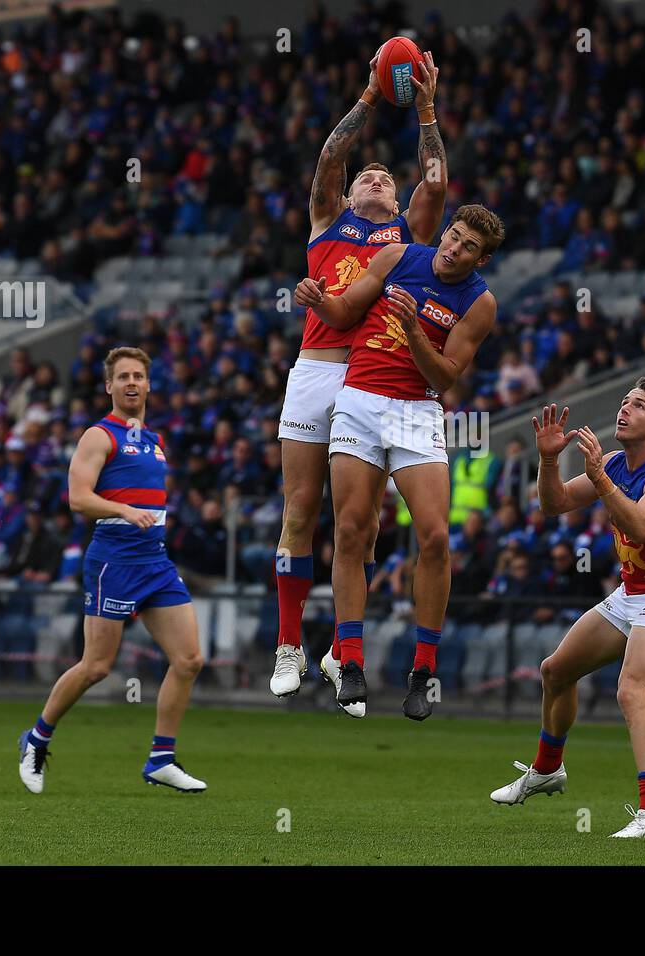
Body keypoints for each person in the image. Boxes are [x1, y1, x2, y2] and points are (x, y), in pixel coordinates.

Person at [271, 49, 447, 710]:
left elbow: (434, 181)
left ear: (397, 201)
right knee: (300, 510)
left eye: (385, 175)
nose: (375, 174)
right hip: (320, 373)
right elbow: (328, 157)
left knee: (362, 529)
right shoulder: (327, 221)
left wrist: (426, 107)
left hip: (376, 379)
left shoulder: (407, 235)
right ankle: (290, 642)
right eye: (365, 174)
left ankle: (342, 650)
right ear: (347, 196)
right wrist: (373, 94)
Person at [293, 204, 503, 719]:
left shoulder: (479, 302)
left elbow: (447, 375)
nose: (453, 249)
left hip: (416, 411)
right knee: (350, 531)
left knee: (433, 537)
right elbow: (344, 314)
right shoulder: (397, 256)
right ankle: (351, 664)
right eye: (453, 236)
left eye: (468, 247)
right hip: (360, 400)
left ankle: (422, 670)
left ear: (483, 258)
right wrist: (320, 301)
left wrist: (412, 330)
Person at [488, 380, 645, 841]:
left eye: (638, 405)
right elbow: (554, 504)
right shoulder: (613, 463)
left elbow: (644, 527)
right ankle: (548, 770)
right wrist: (548, 459)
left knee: (632, 691)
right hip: (633, 594)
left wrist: (603, 480)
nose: (625, 408)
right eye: (625, 400)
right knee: (556, 671)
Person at [18, 347, 207, 795]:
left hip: (154, 561)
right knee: (97, 666)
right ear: (109, 386)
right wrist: (125, 509)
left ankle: (161, 758)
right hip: (114, 560)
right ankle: (36, 739)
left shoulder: (155, 440)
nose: (131, 383)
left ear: (147, 384)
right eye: (122, 376)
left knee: (189, 659)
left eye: (138, 376)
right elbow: (78, 498)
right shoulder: (98, 436)